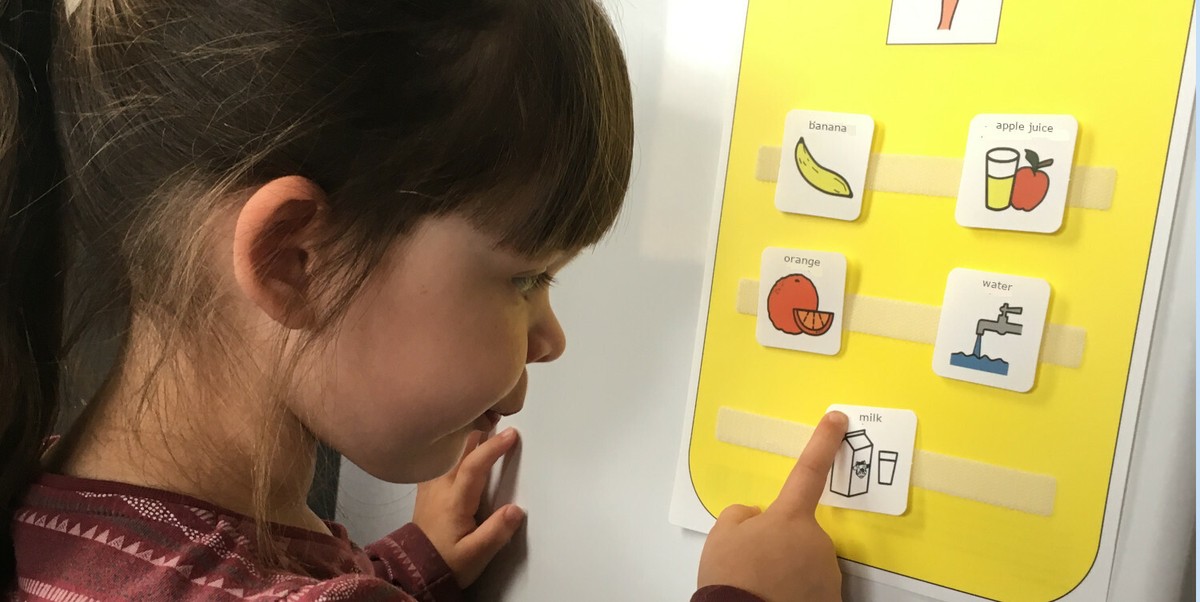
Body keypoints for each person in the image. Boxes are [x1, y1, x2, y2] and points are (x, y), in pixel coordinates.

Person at [0, 0, 848, 599]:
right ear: (296, 258)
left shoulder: (38, 499)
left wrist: (399, 571)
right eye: (526, 278)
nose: (550, 337)